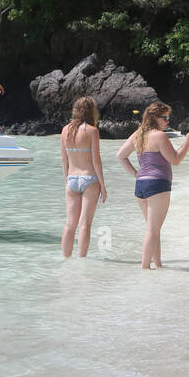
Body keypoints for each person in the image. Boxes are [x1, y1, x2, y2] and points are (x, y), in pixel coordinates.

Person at [116, 102, 189, 270]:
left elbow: (121, 156)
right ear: (154, 118)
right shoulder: (159, 136)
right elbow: (175, 160)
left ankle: (158, 265)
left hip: (141, 185)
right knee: (152, 230)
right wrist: (187, 142)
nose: (167, 121)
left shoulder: (138, 135)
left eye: (168, 118)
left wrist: (136, 174)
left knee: (154, 228)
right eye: (164, 118)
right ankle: (145, 267)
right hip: (158, 184)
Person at [60, 96, 107, 258]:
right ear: (92, 111)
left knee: (69, 224)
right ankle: (81, 262)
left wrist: (67, 180)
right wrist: (103, 186)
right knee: (85, 225)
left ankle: (66, 260)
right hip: (89, 179)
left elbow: (64, 159)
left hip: (71, 179)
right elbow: (96, 161)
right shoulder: (92, 131)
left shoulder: (65, 130)